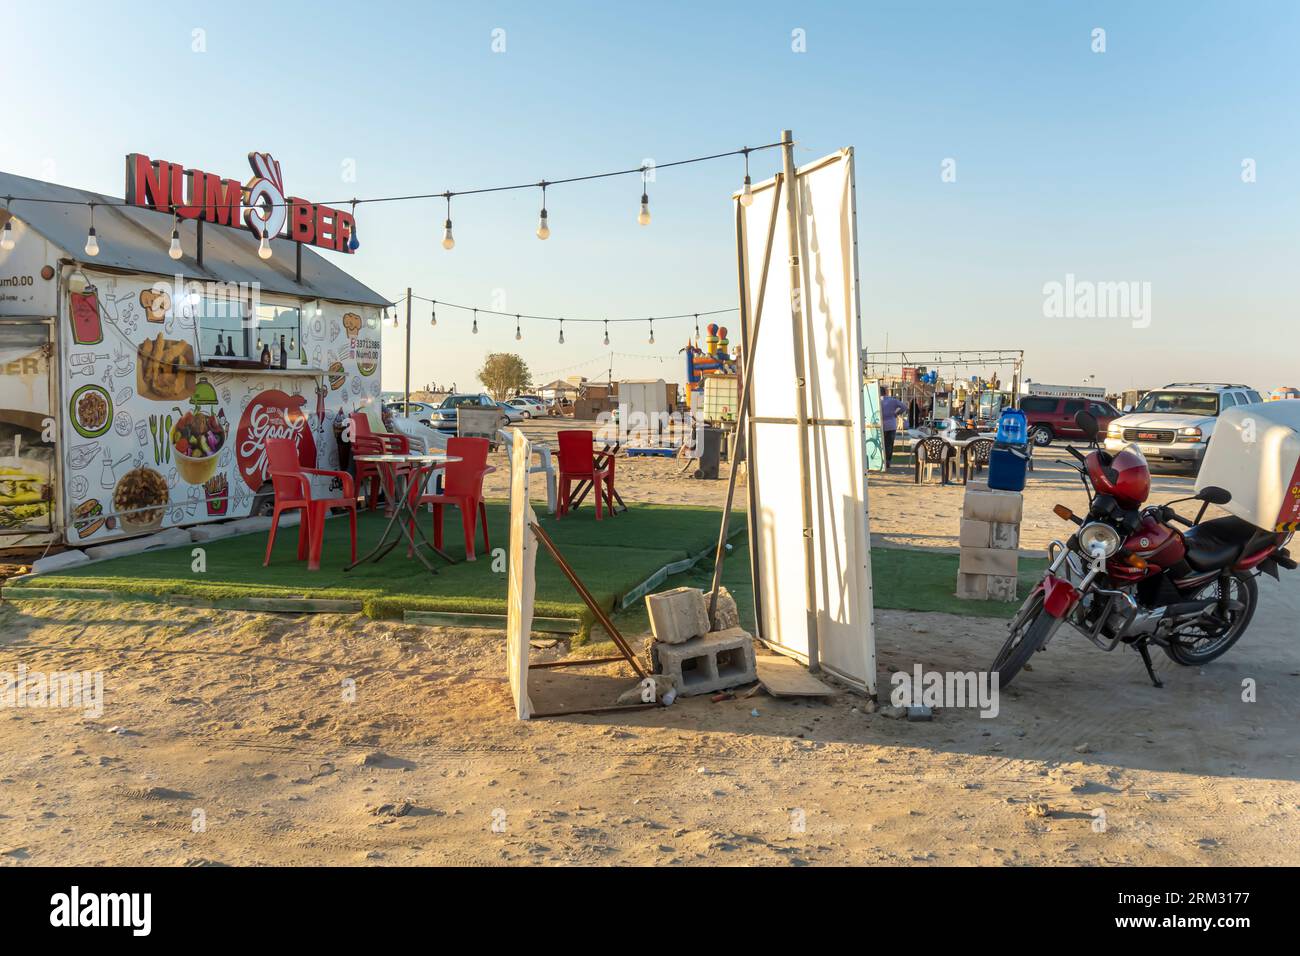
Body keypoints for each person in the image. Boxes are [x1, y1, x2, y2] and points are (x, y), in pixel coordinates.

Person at [880, 388, 907, 469]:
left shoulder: (877, 401)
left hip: (880, 425)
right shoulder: (893, 400)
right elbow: (904, 407)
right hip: (891, 425)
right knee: (890, 444)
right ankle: (888, 461)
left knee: (881, 444)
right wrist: (896, 413)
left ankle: (881, 461)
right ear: (886, 392)